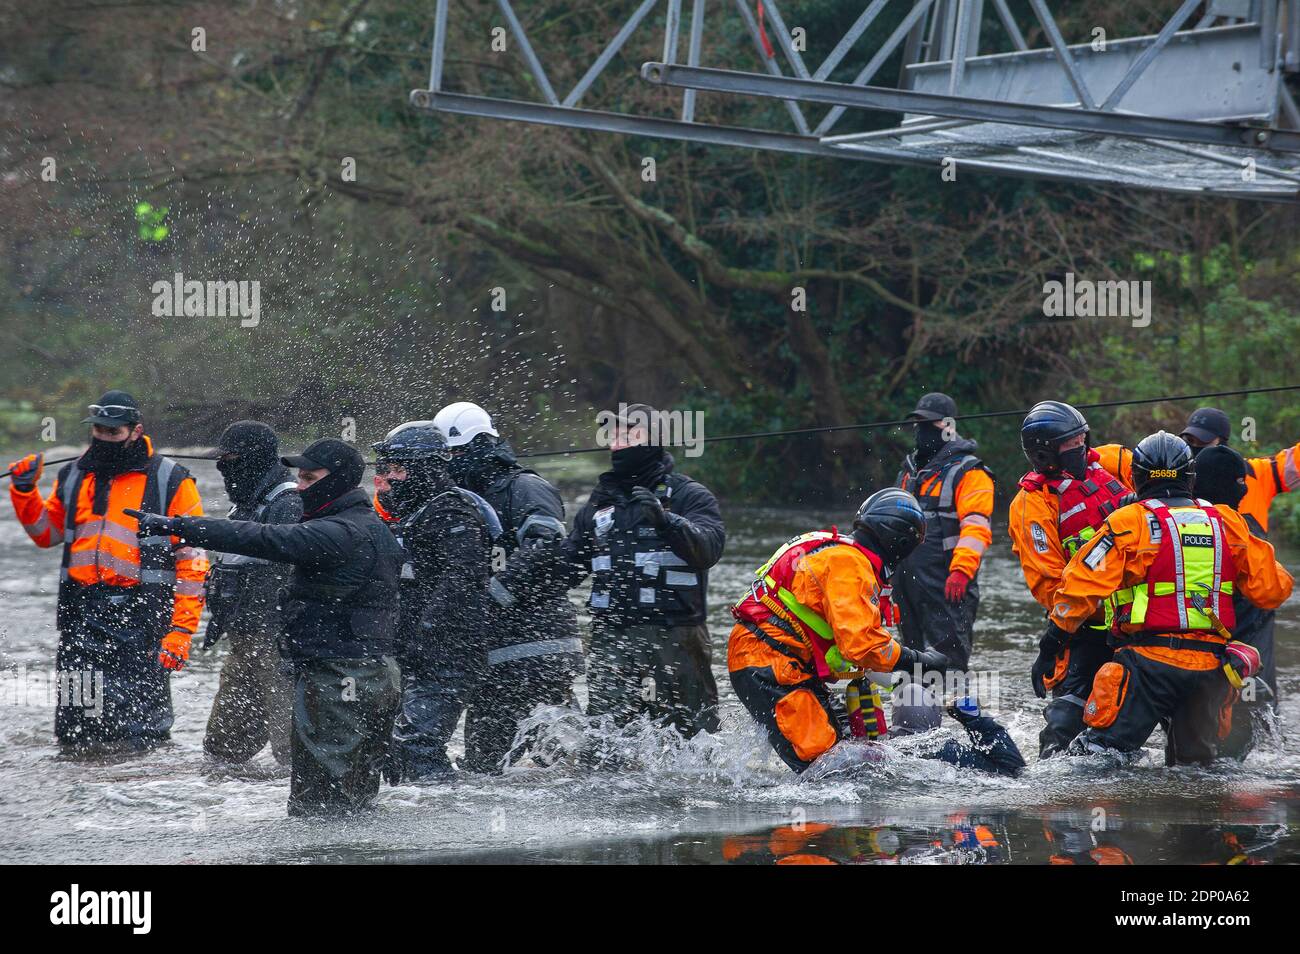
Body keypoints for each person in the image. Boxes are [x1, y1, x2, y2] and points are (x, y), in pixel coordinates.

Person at [129, 438, 402, 816]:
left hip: (339, 679)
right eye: (299, 476)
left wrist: (179, 526)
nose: (300, 485)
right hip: (373, 675)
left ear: (337, 480)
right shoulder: (372, 528)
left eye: (309, 478)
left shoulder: (339, 532)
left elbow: (264, 538)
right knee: (355, 802)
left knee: (319, 807)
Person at [1045, 432, 1293, 765]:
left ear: (1136, 478)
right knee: (1196, 771)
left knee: (1094, 762)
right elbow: (1273, 589)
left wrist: (1051, 644)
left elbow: (1079, 587)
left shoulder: (1128, 522)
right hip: (1210, 671)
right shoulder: (1228, 523)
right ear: (1190, 477)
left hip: (1147, 666)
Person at [494, 403, 725, 738]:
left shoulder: (690, 494)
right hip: (612, 636)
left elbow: (709, 549)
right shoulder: (600, 503)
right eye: (614, 433)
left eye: (630, 433)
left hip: (677, 634)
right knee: (606, 736)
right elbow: (569, 566)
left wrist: (668, 522)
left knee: (697, 734)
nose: (618, 441)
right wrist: (514, 588)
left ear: (653, 440)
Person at [7, 390, 207, 754]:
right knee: (77, 727)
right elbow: (46, 534)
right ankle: (81, 794)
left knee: (142, 735)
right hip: (80, 615)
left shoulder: (171, 479)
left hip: (144, 618)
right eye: (98, 429)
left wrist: (181, 631)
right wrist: (23, 491)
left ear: (136, 430)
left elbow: (193, 560)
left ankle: (140, 796)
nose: (104, 437)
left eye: (113, 432)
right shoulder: (72, 474)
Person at [727, 488, 948, 773]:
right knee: (829, 769)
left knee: (841, 753)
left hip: (778, 663)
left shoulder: (836, 551)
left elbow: (847, 649)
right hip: (769, 666)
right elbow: (862, 645)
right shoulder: (850, 565)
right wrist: (920, 660)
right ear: (901, 544)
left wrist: (894, 678)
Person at [432, 401, 584, 773]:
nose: (447, 465)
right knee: (484, 768)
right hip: (493, 654)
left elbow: (545, 545)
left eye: (453, 455)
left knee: (568, 762)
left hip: (539, 649)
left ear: (477, 447)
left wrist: (494, 596)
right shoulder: (458, 502)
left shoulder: (527, 487)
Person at [372, 421, 497, 782]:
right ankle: (405, 813)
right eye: (388, 470)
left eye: (399, 469)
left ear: (424, 468)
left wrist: (425, 631)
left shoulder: (452, 511)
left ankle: (447, 817)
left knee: (417, 743)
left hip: (449, 651)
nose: (391, 478)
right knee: (391, 752)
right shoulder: (412, 512)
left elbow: (463, 578)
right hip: (412, 649)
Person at [1009, 400, 1135, 757]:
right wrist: (1090, 603)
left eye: (1083, 437)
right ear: (1046, 454)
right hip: (1083, 629)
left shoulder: (1112, 461)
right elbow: (1049, 586)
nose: (1082, 446)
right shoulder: (1031, 505)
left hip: (1143, 624)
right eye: (1072, 442)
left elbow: (1164, 479)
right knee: (1065, 728)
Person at [201, 421, 300, 766]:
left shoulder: (287, 502)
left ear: (253, 459)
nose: (223, 468)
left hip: (277, 645)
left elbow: (293, 572)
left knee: (293, 754)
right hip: (242, 643)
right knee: (221, 753)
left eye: (230, 459)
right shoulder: (244, 503)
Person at [892, 392, 994, 671]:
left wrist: (961, 572)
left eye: (929, 424)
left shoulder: (972, 473)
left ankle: (954, 712)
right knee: (910, 664)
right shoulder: (908, 471)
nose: (922, 431)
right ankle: (913, 712)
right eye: (918, 424)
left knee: (948, 666)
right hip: (905, 583)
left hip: (948, 585)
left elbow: (976, 529)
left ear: (948, 426)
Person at [1193, 445, 1280, 758]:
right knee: (1233, 757)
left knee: (1189, 755)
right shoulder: (1242, 529)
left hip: (1181, 661)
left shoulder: (1169, 521)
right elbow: (1273, 590)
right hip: (1240, 656)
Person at [1180, 407, 1299, 532]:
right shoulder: (1178, 478)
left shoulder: (1256, 473)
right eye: (1189, 440)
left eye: (1203, 441)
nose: (1194, 447)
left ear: (1222, 443)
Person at [889, 684, 1025, 777]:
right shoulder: (946, 750)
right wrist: (976, 720)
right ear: (935, 717)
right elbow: (1013, 770)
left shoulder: (885, 750)